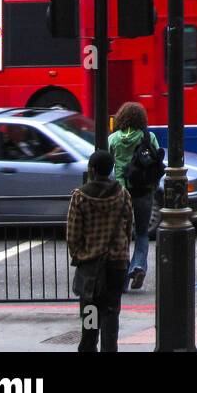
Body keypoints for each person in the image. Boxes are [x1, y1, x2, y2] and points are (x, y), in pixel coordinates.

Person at [65, 150, 134, 353]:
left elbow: (72, 234)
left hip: (90, 265)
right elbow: (129, 227)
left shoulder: (80, 197)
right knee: (111, 311)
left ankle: (89, 347)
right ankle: (109, 349)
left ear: (92, 170)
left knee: (91, 312)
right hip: (116, 263)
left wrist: (79, 255)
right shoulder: (123, 194)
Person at [107, 101, 160, 291]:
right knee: (143, 232)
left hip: (121, 192)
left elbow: (107, 162)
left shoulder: (113, 139)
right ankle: (138, 265)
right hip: (144, 190)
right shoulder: (148, 136)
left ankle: (122, 279)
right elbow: (156, 161)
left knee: (122, 235)